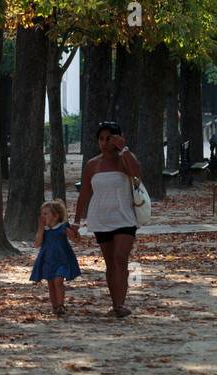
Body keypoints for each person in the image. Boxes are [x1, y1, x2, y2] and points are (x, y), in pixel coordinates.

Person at [73, 121, 141, 318]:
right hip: (101, 219)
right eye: (101, 139)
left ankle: (121, 303)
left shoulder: (125, 160)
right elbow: (84, 195)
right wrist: (76, 223)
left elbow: (137, 175)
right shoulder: (92, 165)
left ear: (118, 138)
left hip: (124, 218)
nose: (104, 143)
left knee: (121, 258)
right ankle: (115, 304)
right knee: (110, 262)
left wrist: (125, 149)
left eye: (109, 138)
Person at [31, 199, 80, 317]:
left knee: (58, 280)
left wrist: (73, 232)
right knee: (51, 283)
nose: (42, 217)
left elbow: (76, 239)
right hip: (47, 260)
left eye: (45, 214)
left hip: (62, 259)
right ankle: (55, 306)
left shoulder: (62, 227)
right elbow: (37, 244)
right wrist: (40, 229)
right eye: (41, 214)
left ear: (56, 216)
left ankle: (61, 305)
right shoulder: (45, 230)